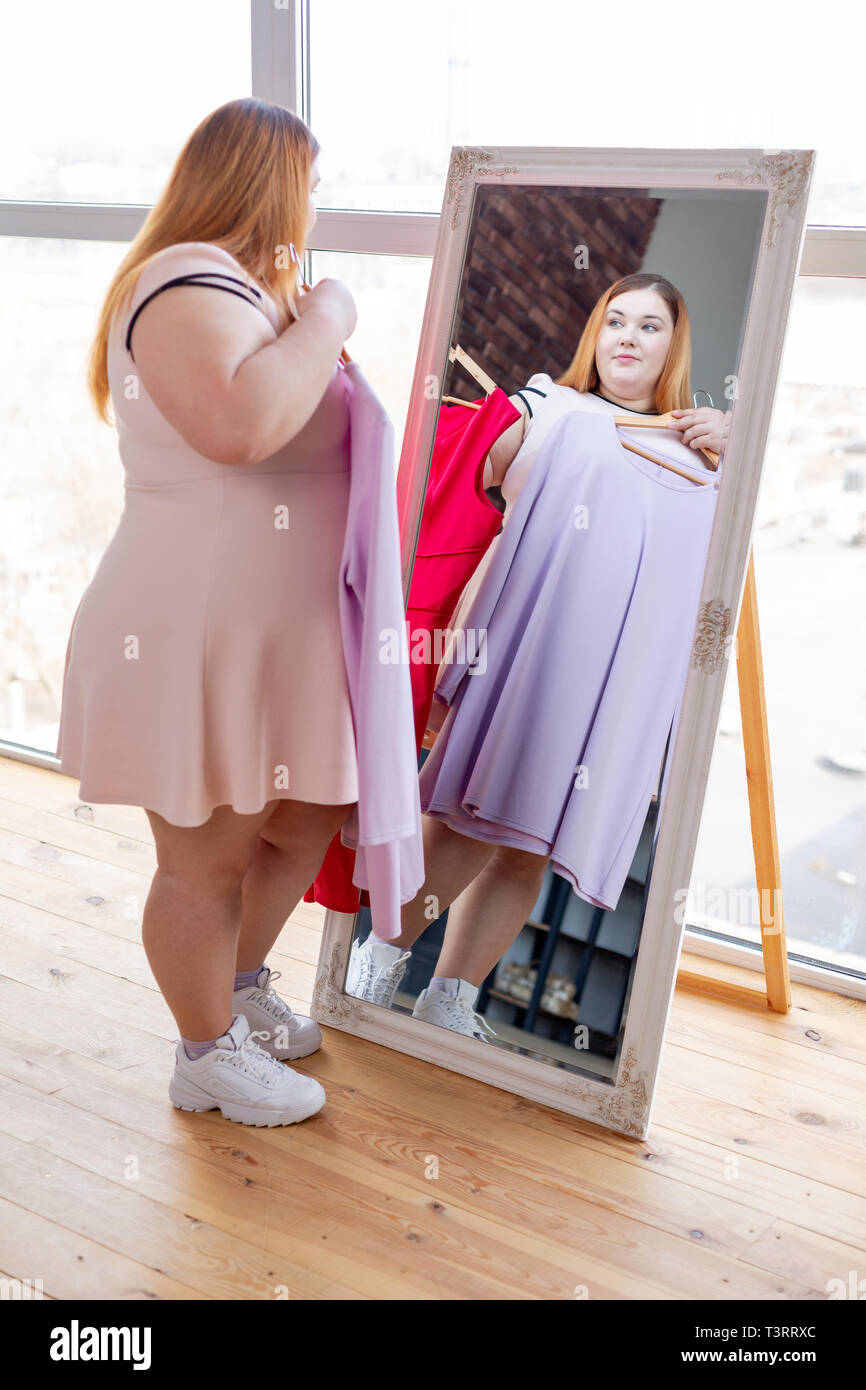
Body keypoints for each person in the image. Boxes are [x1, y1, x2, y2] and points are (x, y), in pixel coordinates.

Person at [56, 98, 359, 1127]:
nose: (314, 209)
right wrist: (330, 317)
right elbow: (241, 426)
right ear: (269, 186)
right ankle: (203, 1056)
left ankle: (230, 988)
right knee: (206, 857)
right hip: (187, 628)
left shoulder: (254, 299)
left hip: (269, 634)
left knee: (301, 819)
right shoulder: (183, 280)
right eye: (307, 186)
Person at [348, 273, 731, 1038]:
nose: (628, 336)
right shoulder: (551, 408)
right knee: (464, 816)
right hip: (527, 654)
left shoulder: (707, 458)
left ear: (673, 346)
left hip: (614, 679)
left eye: (650, 326)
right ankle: (374, 961)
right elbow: (468, 470)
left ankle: (451, 995)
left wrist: (741, 447)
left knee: (528, 846)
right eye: (615, 319)